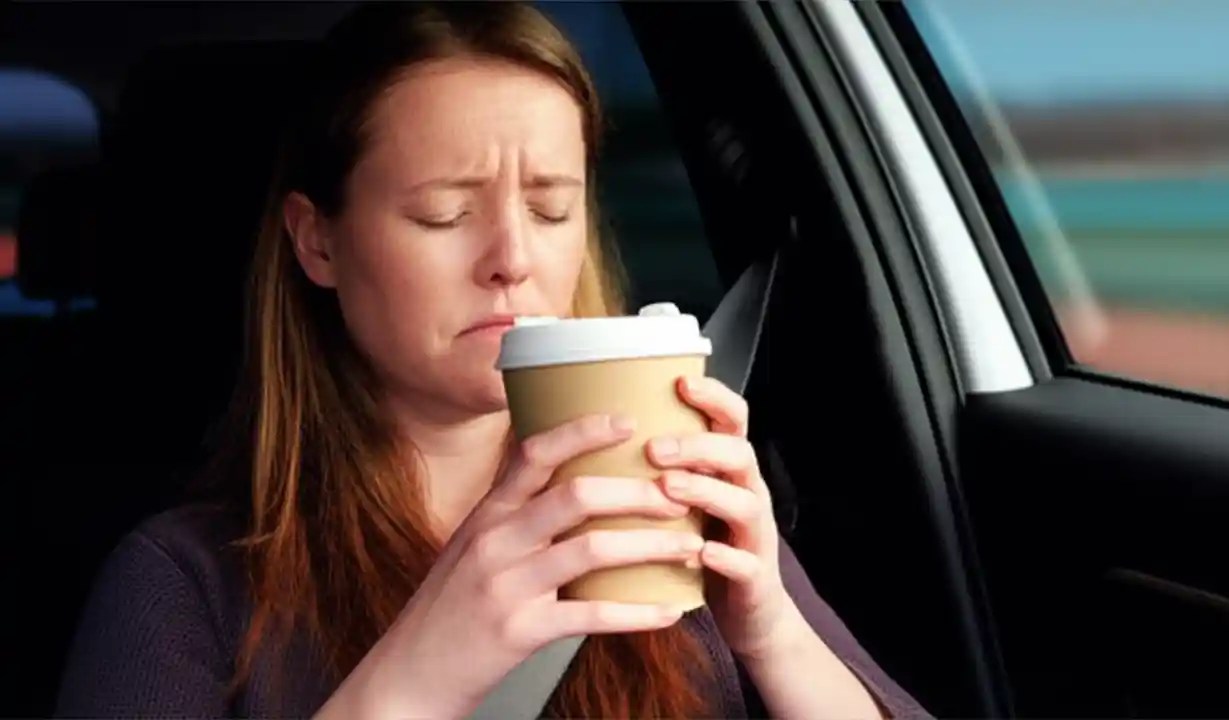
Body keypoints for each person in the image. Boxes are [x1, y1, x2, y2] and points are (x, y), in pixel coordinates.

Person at [54, 3, 930, 718]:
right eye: (443, 213)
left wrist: (773, 631)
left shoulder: (663, 507)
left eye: (552, 210)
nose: (512, 257)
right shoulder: (183, 585)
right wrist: (410, 685)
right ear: (316, 242)